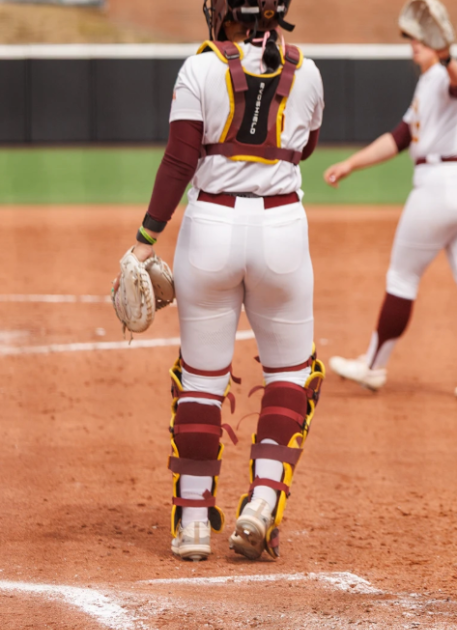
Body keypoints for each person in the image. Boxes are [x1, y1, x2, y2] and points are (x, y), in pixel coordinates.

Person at [122, 0, 326, 561]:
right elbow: (305, 146)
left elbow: (179, 159)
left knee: (201, 378)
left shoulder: (200, 67)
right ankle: (262, 504)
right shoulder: (307, 69)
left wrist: (145, 239)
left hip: (209, 225)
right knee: (291, 371)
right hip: (282, 227)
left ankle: (191, 522)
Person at [322, 15, 457, 401]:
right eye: (413, 40)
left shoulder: (444, 74)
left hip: (442, 187)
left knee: (401, 278)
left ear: (439, 45)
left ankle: (372, 366)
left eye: (421, 40)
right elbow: (399, 137)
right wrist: (352, 163)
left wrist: (445, 57)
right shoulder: (427, 82)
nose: (414, 45)